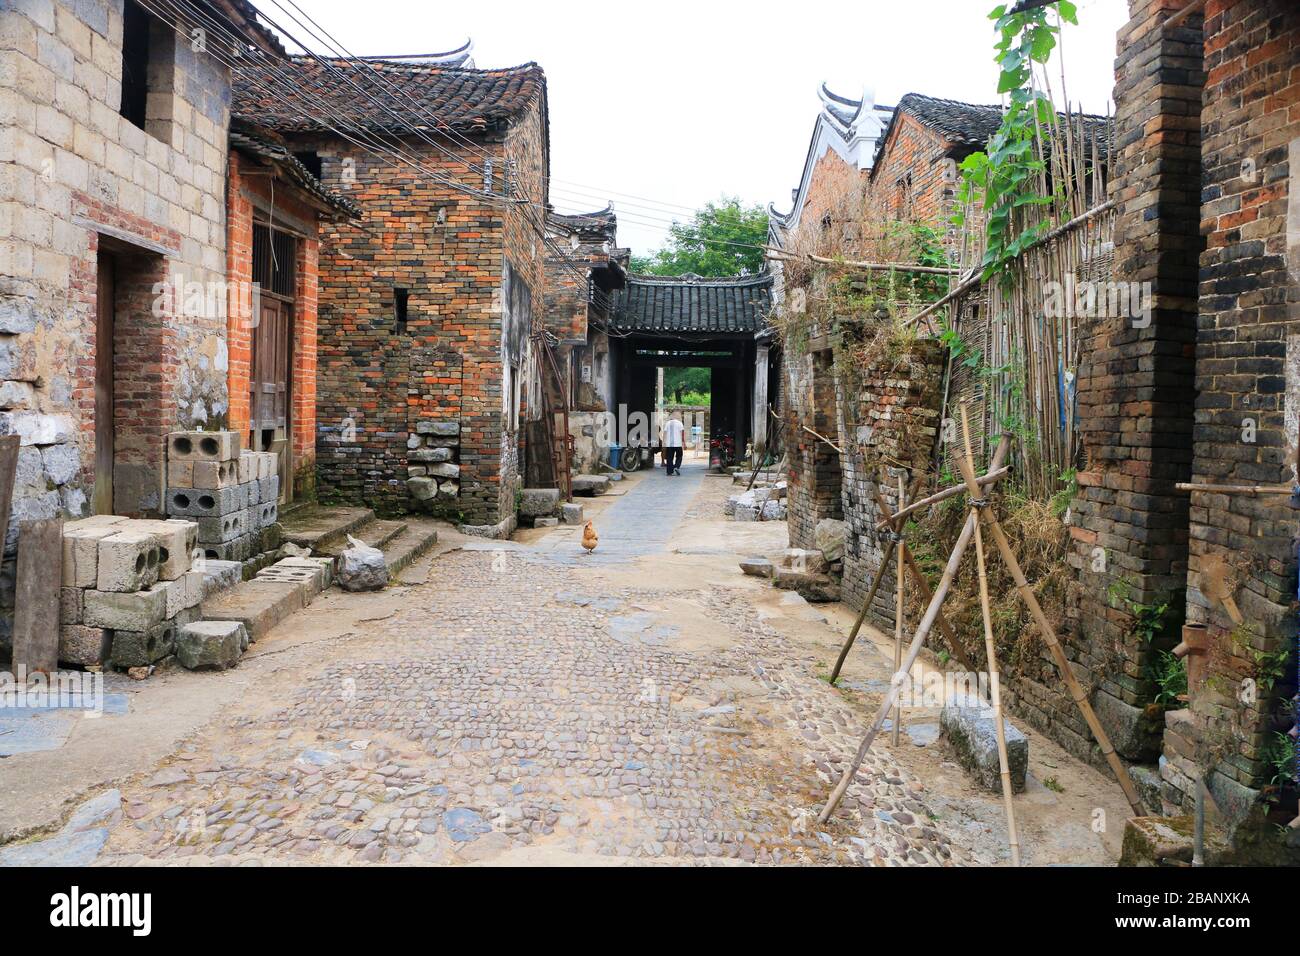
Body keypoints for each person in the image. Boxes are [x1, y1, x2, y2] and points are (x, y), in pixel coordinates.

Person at [661, 412, 685, 476]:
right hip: (678, 444)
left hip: (669, 444)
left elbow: (665, 434)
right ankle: (676, 467)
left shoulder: (667, 423)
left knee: (669, 458)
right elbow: (682, 434)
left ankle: (669, 472)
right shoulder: (680, 423)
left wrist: (664, 443)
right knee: (679, 456)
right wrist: (683, 442)